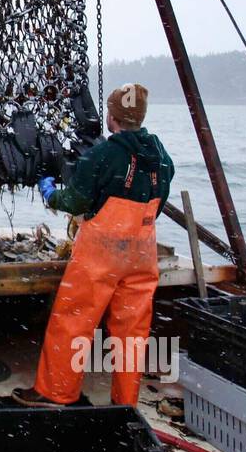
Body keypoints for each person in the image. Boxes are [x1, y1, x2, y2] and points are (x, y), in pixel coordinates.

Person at [14, 83, 174, 408]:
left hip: (101, 255)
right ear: (140, 116)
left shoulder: (102, 154)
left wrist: (49, 194)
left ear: (112, 117)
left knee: (74, 321)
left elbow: (74, 201)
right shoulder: (161, 154)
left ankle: (56, 392)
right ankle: (125, 403)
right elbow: (158, 202)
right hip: (142, 255)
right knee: (132, 332)